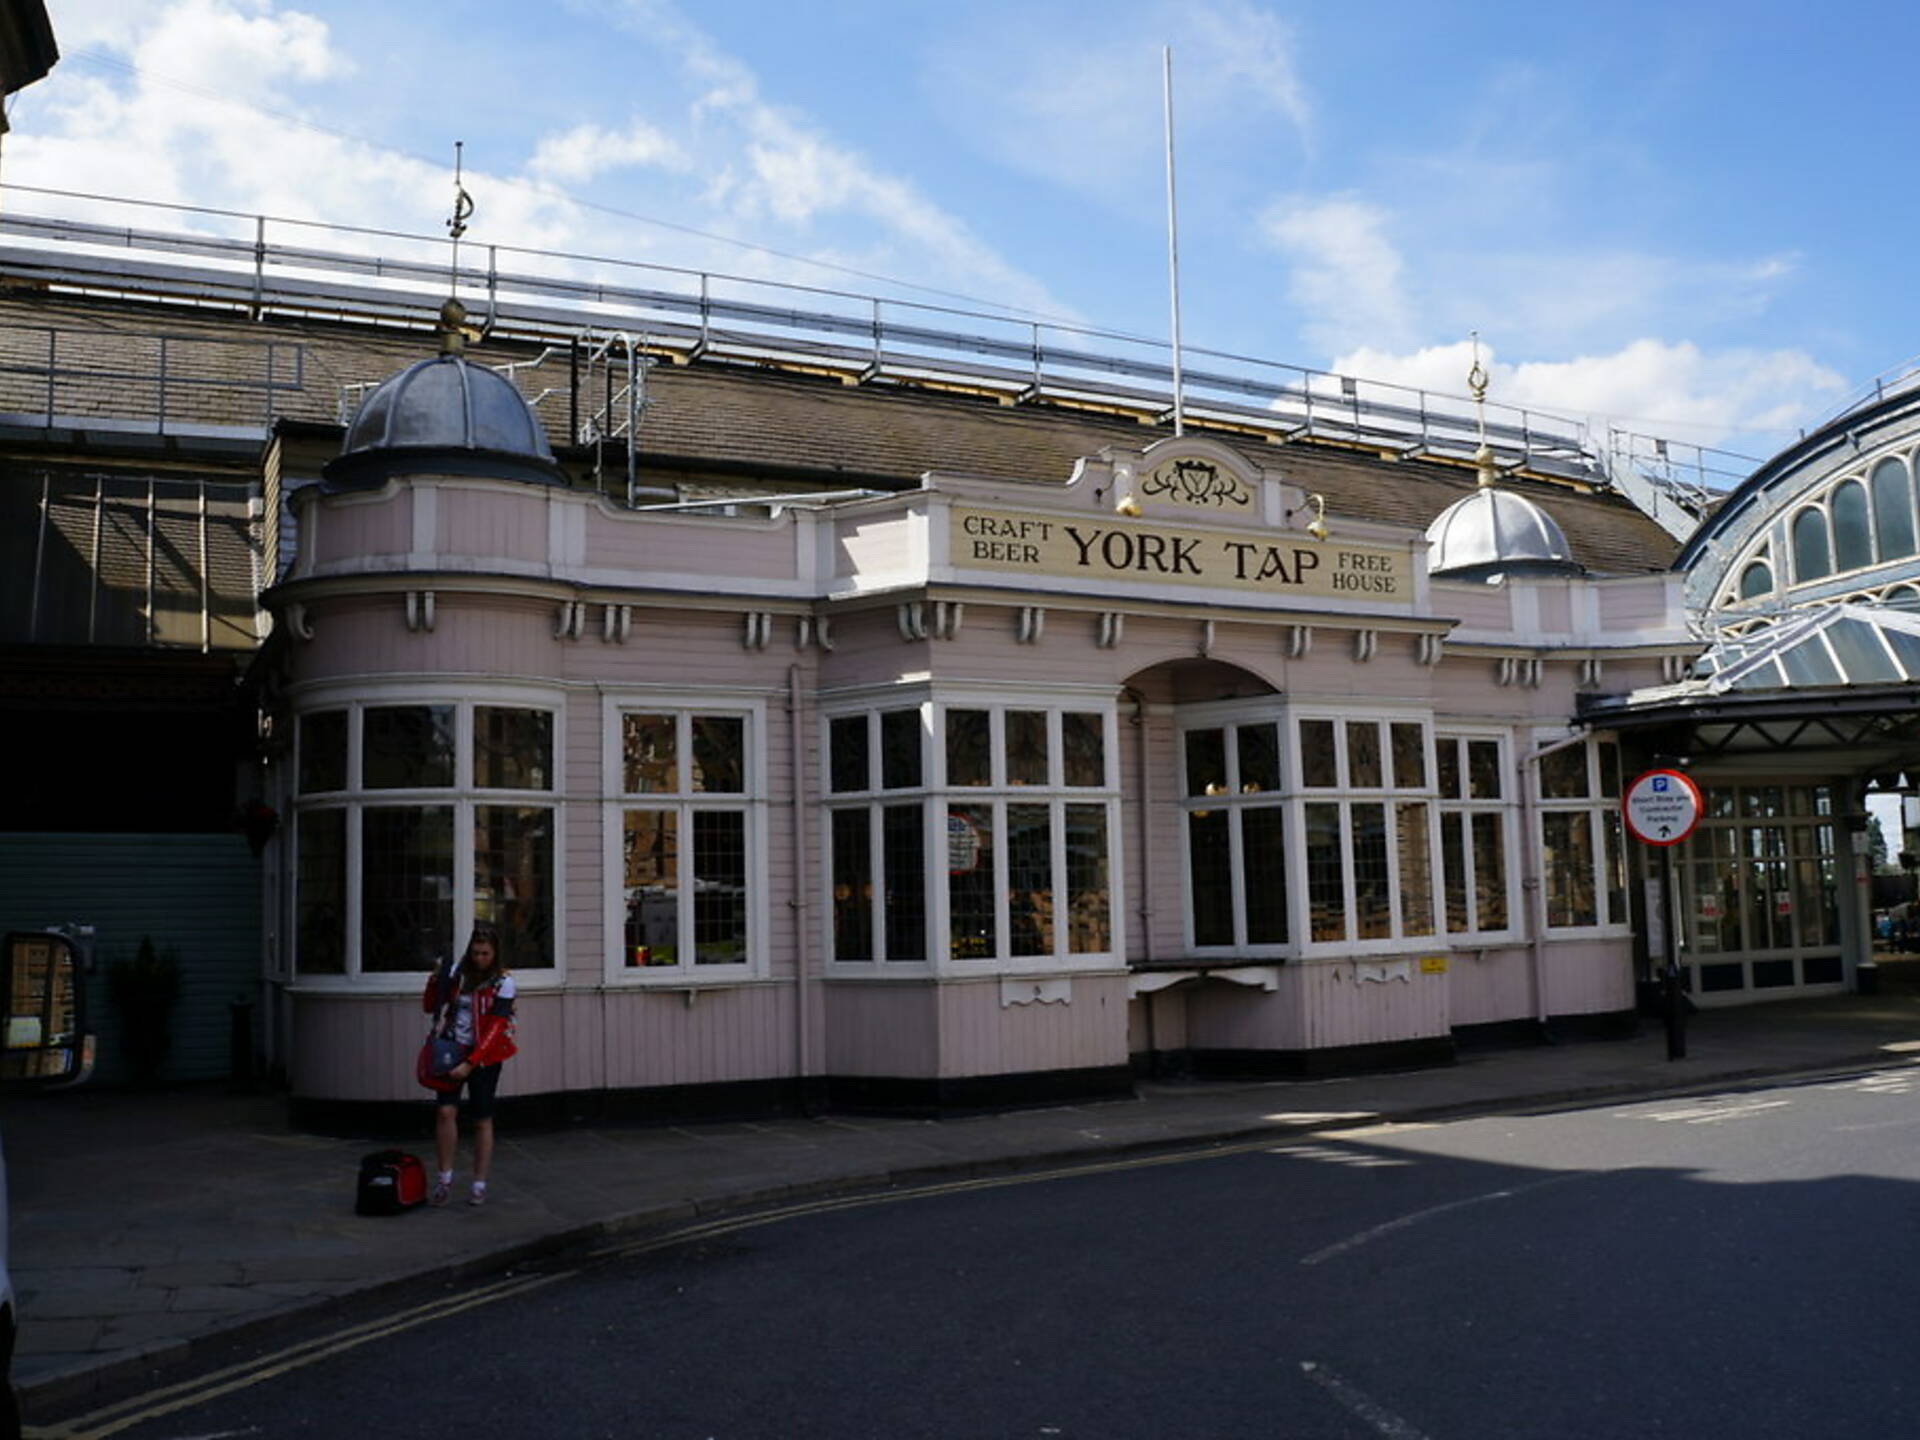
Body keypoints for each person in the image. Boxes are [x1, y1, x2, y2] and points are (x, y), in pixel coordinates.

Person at [421, 923, 518, 1207]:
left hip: (486, 1056)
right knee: (445, 1111)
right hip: (452, 1048)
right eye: (475, 953)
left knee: (481, 1119)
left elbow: (496, 1027)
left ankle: (479, 1183)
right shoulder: (457, 974)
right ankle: (444, 1180)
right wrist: (435, 980)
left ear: (495, 953)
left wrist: (470, 1063)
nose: (479, 959)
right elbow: (430, 1006)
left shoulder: (503, 982)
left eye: (485, 954)